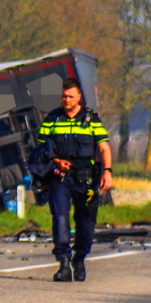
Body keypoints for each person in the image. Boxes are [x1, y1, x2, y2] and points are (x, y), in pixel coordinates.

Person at [36, 78, 113, 283]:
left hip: (86, 179)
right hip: (60, 177)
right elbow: (40, 150)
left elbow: (104, 147)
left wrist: (107, 172)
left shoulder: (91, 119)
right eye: (64, 96)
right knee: (60, 216)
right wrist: (55, 161)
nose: (66, 100)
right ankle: (63, 262)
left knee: (86, 222)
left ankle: (79, 258)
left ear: (79, 97)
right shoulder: (52, 118)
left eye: (70, 96)